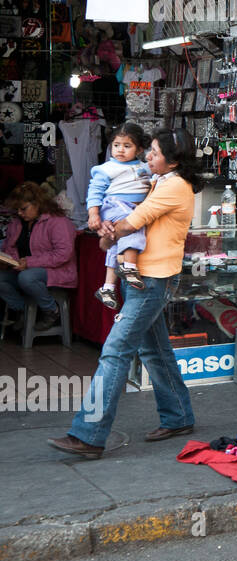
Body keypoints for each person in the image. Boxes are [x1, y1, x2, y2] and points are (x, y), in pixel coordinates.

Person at [49, 129, 203, 459]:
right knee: (155, 352)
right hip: (146, 278)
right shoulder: (161, 179)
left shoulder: (174, 184)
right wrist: (106, 227)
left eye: (155, 153)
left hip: (152, 281)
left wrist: (105, 233)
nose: (147, 156)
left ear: (173, 160)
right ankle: (179, 416)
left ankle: (88, 435)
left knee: (115, 351)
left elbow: (133, 221)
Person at [86, 122, 152, 309]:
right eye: (116, 145)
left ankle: (107, 287)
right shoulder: (106, 168)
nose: (120, 150)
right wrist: (93, 214)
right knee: (133, 226)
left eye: (127, 146)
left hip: (128, 206)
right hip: (116, 205)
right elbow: (95, 191)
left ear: (139, 149)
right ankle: (129, 267)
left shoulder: (144, 167)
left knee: (115, 242)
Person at [0, 182, 78, 331]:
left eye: (23, 209)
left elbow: (63, 253)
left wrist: (29, 262)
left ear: (37, 203)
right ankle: (23, 310)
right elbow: (10, 247)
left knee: (27, 277)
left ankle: (51, 311)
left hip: (56, 271)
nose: (20, 213)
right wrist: (9, 261)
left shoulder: (58, 222)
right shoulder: (17, 223)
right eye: (17, 210)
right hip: (24, 269)